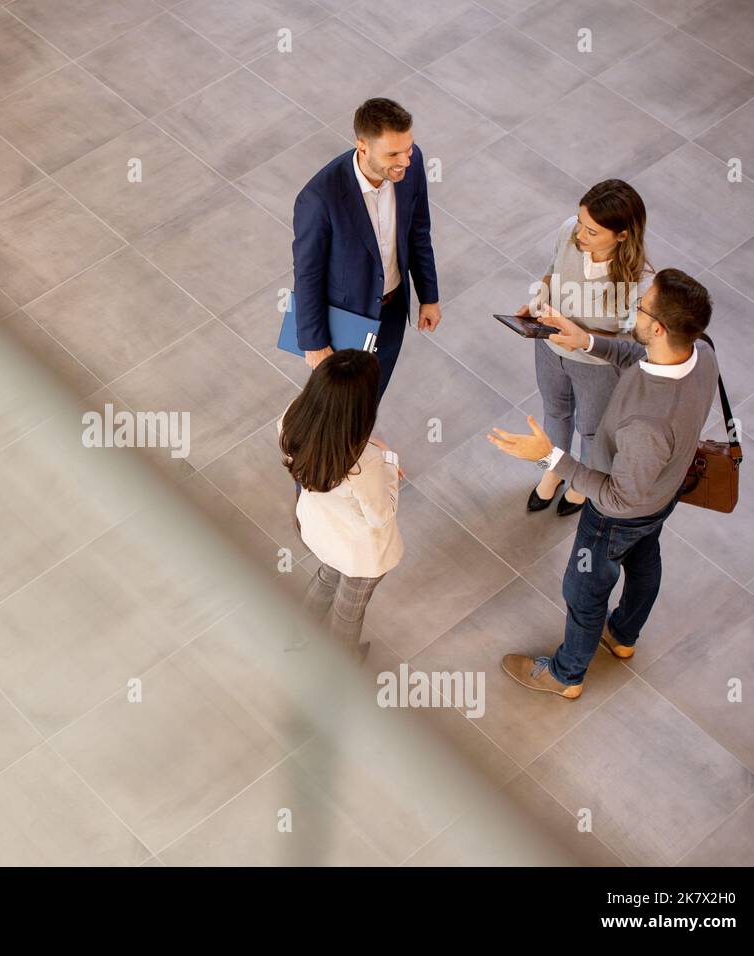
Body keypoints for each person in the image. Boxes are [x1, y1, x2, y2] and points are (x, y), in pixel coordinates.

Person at [488, 269, 718, 698]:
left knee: (583, 588)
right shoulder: (701, 351)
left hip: (617, 515)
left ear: (659, 327)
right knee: (645, 558)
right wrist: (587, 341)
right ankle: (623, 636)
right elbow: (643, 358)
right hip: (663, 493)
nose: (636, 309)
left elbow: (616, 496)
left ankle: (566, 673)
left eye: (643, 306)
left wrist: (549, 457)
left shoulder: (648, 423)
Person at [519, 179, 654, 518]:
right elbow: (552, 270)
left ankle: (581, 484)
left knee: (592, 429)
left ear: (622, 235)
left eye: (592, 232)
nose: (580, 234)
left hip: (596, 366)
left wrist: (584, 337)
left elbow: (635, 344)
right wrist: (539, 300)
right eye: (581, 223)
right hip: (549, 348)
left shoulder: (641, 282)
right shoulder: (569, 232)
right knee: (555, 412)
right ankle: (554, 470)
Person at [291, 97, 441, 397]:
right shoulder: (319, 199)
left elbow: (418, 233)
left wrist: (429, 297)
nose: (405, 162)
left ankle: (360, 439)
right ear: (363, 147)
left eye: (408, 149)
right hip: (347, 319)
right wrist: (315, 343)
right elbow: (308, 275)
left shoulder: (410, 166)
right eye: (393, 154)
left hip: (393, 310)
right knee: (337, 403)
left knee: (372, 392)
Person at [279, 349, 403, 652]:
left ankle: (298, 638)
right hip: (361, 553)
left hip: (318, 529)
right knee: (349, 613)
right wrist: (389, 458)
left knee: (326, 576)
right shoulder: (365, 463)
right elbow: (381, 515)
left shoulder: (291, 419)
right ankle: (342, 667)